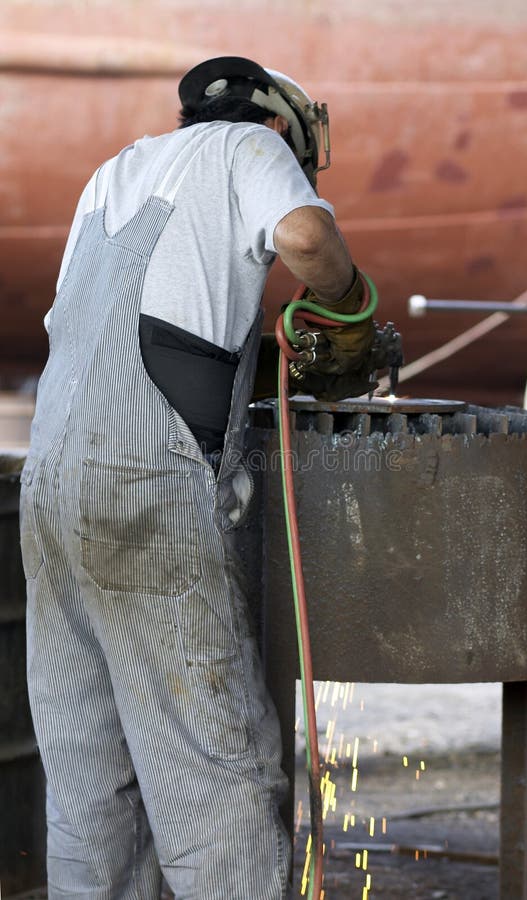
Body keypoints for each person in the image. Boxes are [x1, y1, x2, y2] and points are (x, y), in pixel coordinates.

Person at [19, 56, 375, 898]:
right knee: (215, 772)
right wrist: (351, 304)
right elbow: (304, 239)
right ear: (282, 125)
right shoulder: (249, 148)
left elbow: (125, 326)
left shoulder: (114, 170)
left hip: (49, 483)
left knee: (88, 777)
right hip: (142, 487)